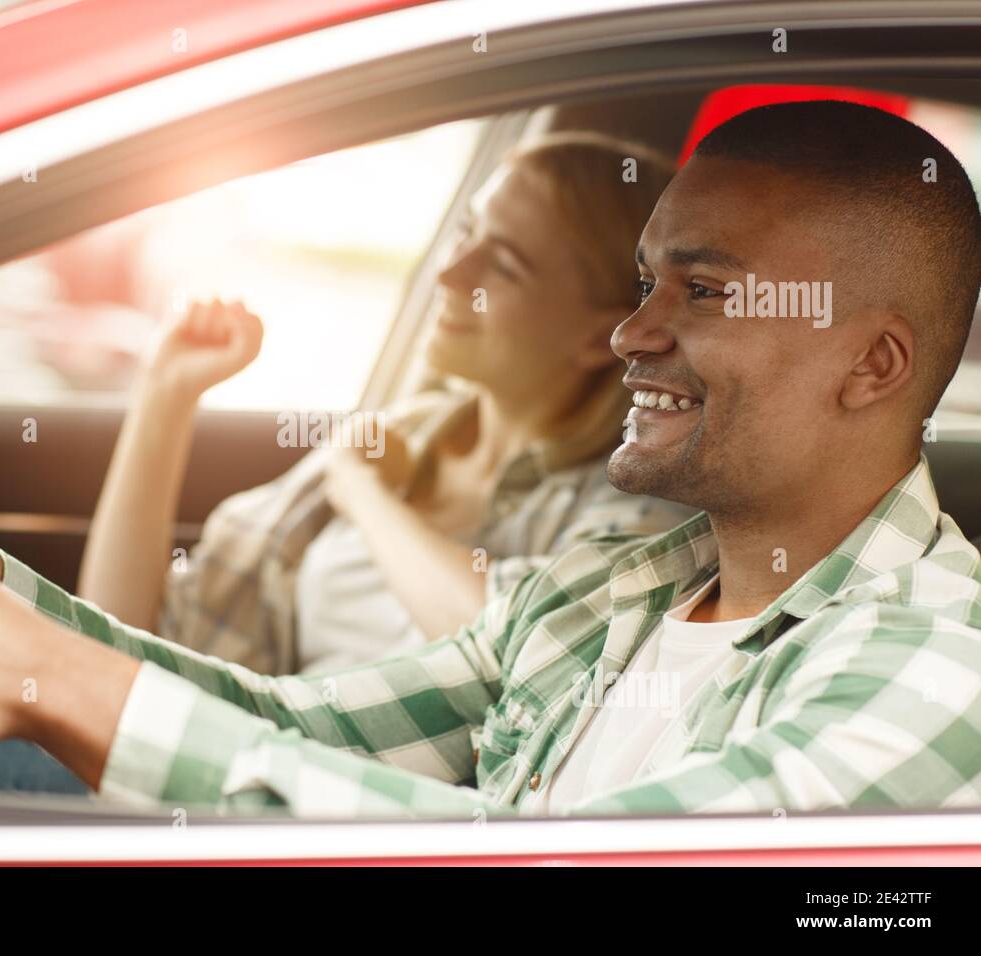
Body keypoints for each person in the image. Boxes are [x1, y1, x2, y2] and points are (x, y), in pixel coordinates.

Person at [0, 101, 981, 817]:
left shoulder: (934, 664)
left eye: (700, 288)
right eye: (641, 278)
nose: (631, 332)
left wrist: (47, 682)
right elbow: (290, 721)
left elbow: (571, 863)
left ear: (871, 367)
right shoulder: (609, 586)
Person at [76, 132, 690, 677]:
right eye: (465, 233)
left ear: (598, 335)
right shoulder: (401, 434)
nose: (450, 273)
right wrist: (166, 394)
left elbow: (517, 653)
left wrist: (361, 493)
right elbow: (118, 645)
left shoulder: (632, 510)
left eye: (501, 263)